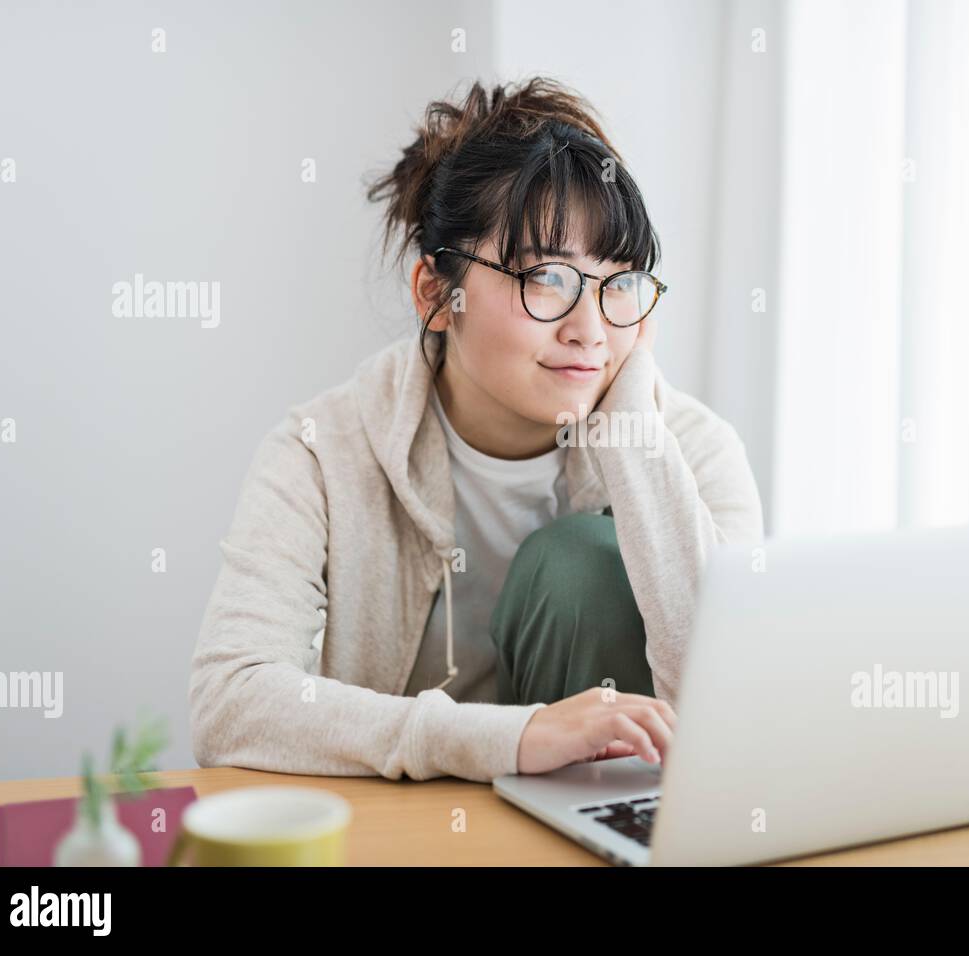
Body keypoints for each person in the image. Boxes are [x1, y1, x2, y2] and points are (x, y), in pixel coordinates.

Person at [188, 76, 764, 783]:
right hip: (410, 831)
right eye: (548, 278)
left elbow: (733, 716)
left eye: (620, 283)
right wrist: (508, 737)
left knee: (579, 559)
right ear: (438, 295)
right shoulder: (322, 451)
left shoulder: (693, 449)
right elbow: (230, 703)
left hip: (604, 824)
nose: (590, 330)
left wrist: (635, 439)